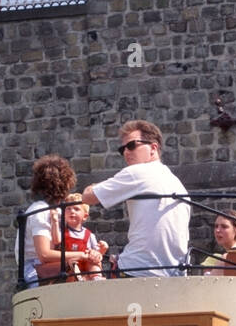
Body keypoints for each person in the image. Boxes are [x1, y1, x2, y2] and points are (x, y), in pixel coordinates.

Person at [82, 119, 189, 276]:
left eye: (131, 145)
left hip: (138, 270)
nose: (126, 152)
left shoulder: (136, 172)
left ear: (153, 148)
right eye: (122, 149)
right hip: (175, 273)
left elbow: (87, 198)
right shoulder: (177, 183)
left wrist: (92, 186)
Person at [20, 155, 77, 287]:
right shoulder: (39, 211)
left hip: (49, 267)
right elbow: (44, 254)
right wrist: (82, 254)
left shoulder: (56, 211)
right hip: (34, 271)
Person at [54, 193, 106, 282]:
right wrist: (54, 222)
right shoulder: (62, 232)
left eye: (76, 209)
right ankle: (78, 278)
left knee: (94, 261)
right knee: (70, 265)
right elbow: (56, 241)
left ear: (85, 216)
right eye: (68, 209)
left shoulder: (89, 235)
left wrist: (101, 250)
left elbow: (97, 254)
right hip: (70, 267)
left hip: (87, 267)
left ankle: (96, 277)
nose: (72, 211)